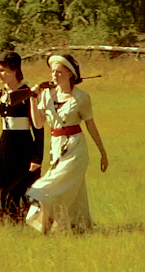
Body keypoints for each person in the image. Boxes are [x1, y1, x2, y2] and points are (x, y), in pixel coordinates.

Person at [22, 52, 106, 234]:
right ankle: (76, 227)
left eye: (59, 72)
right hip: (56, 147)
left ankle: (45, 227)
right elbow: (38, 123)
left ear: (70, 74)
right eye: (53, 71)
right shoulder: (46, 96)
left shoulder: (81, 98)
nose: (54, 75)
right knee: (72, 191)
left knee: (50, 186)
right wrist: (32, 98)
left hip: (76, 148)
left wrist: (102, 152)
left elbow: (90, 125)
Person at [0, 51, 39, 227]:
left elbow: (38, 129)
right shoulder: (1, 94)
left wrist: (37, 157)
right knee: (1, 183)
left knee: (21, 185)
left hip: (23, 144)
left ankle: (21, 220)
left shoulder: (27, 92)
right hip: (5, 143)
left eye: (3, 70)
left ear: (15, 69)